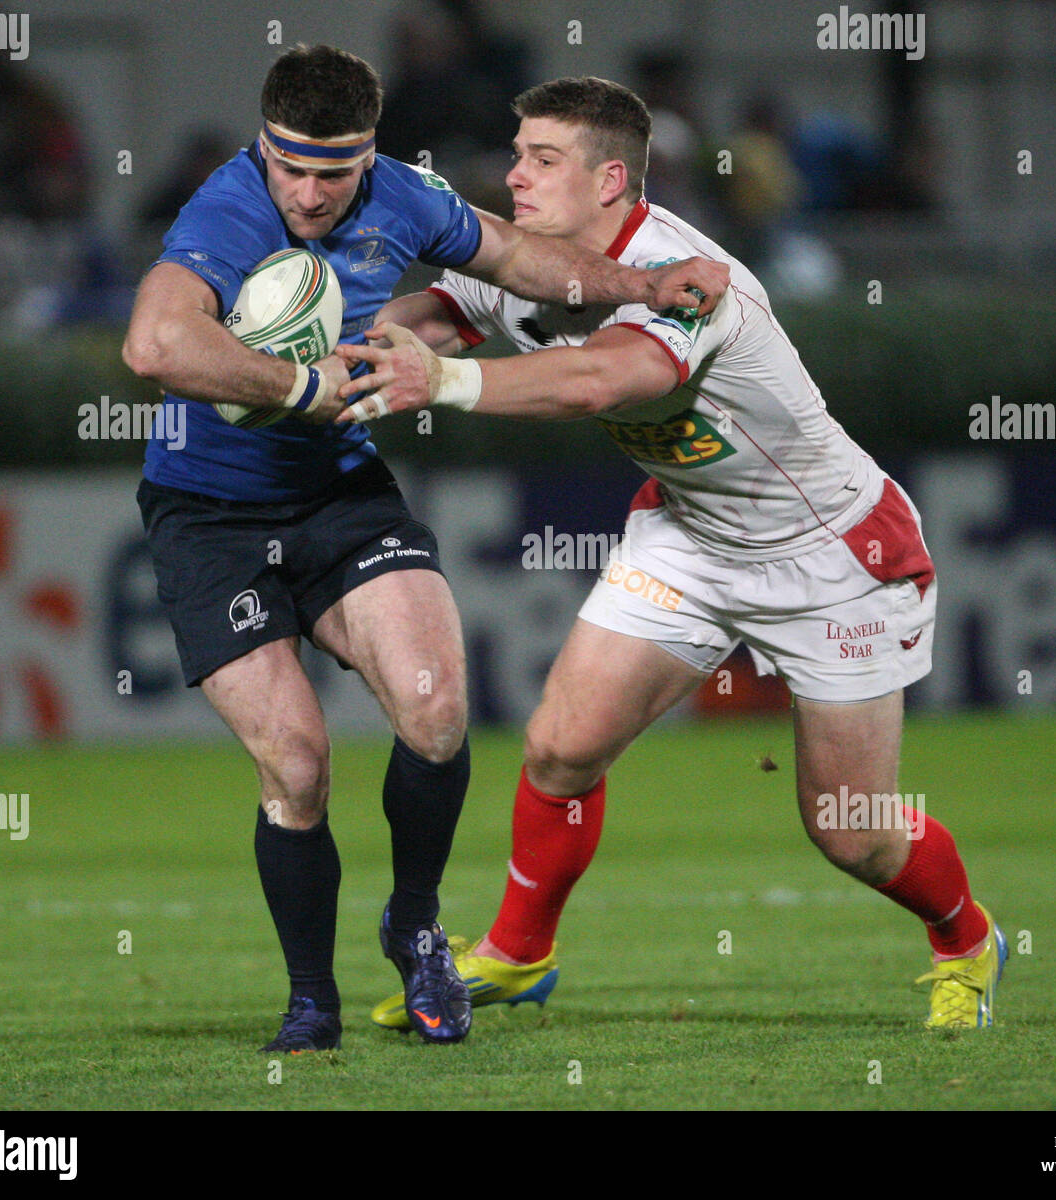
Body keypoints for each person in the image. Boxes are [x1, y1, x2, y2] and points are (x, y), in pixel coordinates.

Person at [342, 76, 1006, 1032]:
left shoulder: (688, 273)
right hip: (691, 532)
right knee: (562, 749)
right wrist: (301, 351)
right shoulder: (527, 258)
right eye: (517, 152)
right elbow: (437, 317)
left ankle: (967, 940)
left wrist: (438, 382)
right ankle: (522, 954)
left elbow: (603, 378)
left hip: (828, 553)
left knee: (850, 831)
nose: (516, 175)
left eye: (543, 159)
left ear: (611, 178)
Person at [121, 48, 729, 1052]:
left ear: (369, 155)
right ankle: (311, 1001)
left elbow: (522, 261)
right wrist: (302, 390)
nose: (311, 196)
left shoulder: (402, 197)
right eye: (292, 170)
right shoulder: (225, 215)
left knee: (437, 710)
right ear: (262, 150)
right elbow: (154, 346)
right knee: (300, 764)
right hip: (208, 518)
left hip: (342, 496)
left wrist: (642, 281)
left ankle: (415, 928)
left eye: (335, 172)